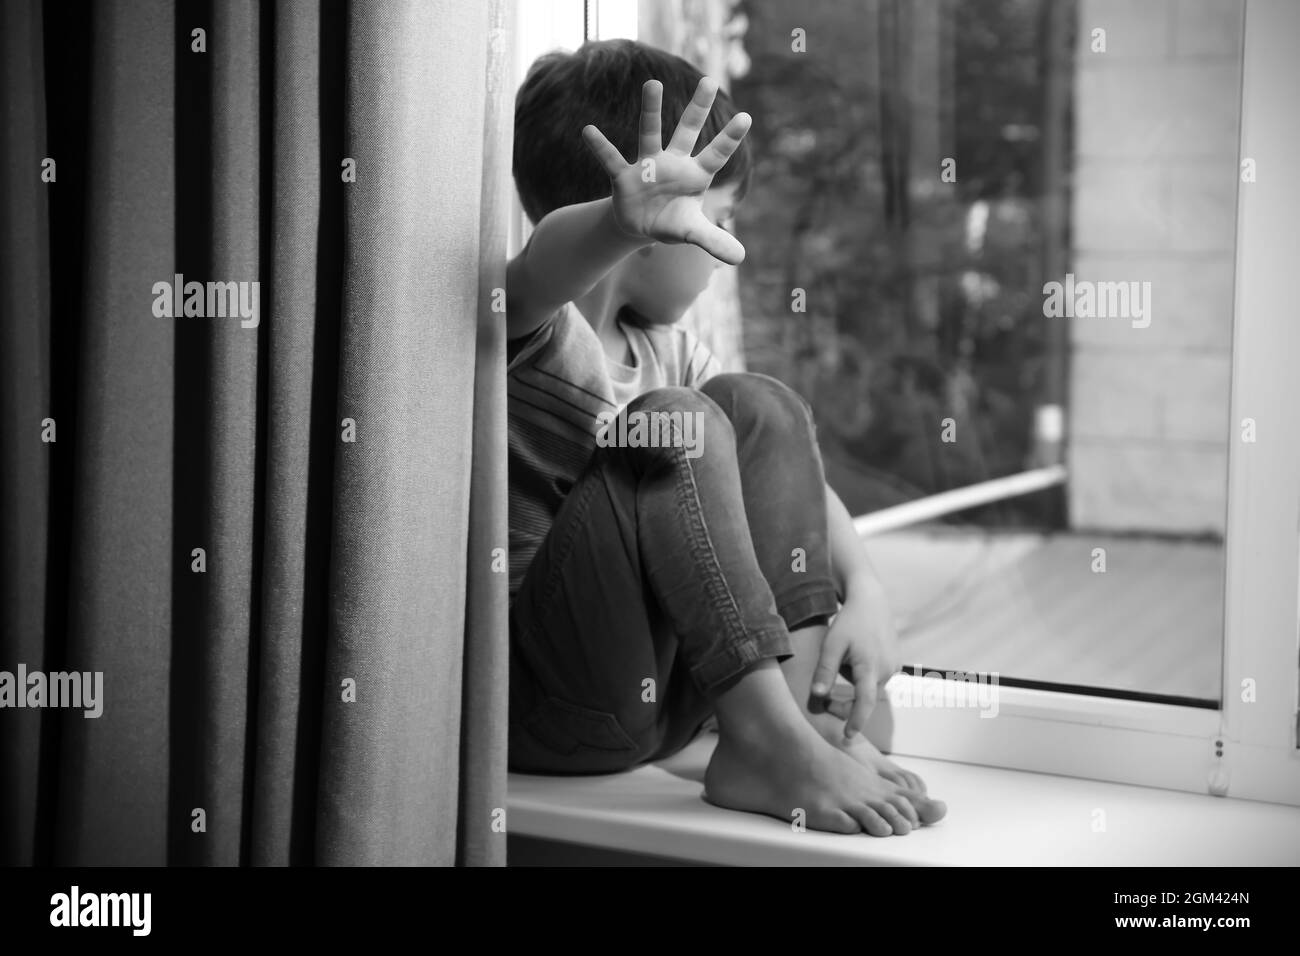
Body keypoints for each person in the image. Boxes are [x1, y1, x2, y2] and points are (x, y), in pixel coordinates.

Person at [505, 39, 945, 836]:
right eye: (720, 221)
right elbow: (536, 272)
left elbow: (791, 460)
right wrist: (616, 220)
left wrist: (868, 587)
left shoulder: (667, 348)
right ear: (652, 225)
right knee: (676, 419)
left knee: (759, 401)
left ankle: (787, 722)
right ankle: (772, 738)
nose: (723, 257)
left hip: (659, 702)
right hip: (548, 704)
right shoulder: (531, 330)